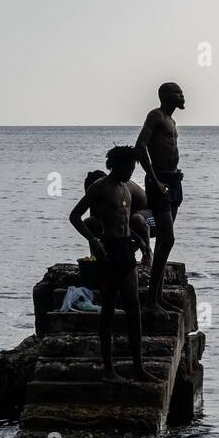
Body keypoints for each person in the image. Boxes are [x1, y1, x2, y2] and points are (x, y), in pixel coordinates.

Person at [69, 146, 162, 385]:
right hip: (109, 252)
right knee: (108, 310)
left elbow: (125, 223)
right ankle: (109, 370)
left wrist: (141, 242)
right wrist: (93, 241)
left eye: (132, 168)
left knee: (134, 309)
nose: (130, 172)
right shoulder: (99, 187)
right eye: (127, 168)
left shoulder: (126, 189)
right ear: (115, 166)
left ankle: (138, 367)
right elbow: (75, 216)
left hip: (126, 250)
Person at [135, 82, 185, 320]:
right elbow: (140, 147)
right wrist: (155, 180)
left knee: (165, 242)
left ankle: (157, 296)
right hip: (159, 181)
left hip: (173, 180)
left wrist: (174, 176)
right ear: (165, 96)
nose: (182, 96)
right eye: (177, 92)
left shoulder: (172, 121)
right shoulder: (155, 116)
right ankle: (150, 301)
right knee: (168, 238)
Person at [83, 168, 151, 268]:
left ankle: (148, 254)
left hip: (149, 217)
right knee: (89, 222)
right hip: (128, 223)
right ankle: (96, 257)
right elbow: (95, 222)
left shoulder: (120, 189)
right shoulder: (97, 195)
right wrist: (95, 244)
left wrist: (139, 241)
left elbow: (121, 222)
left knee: (136, 220)